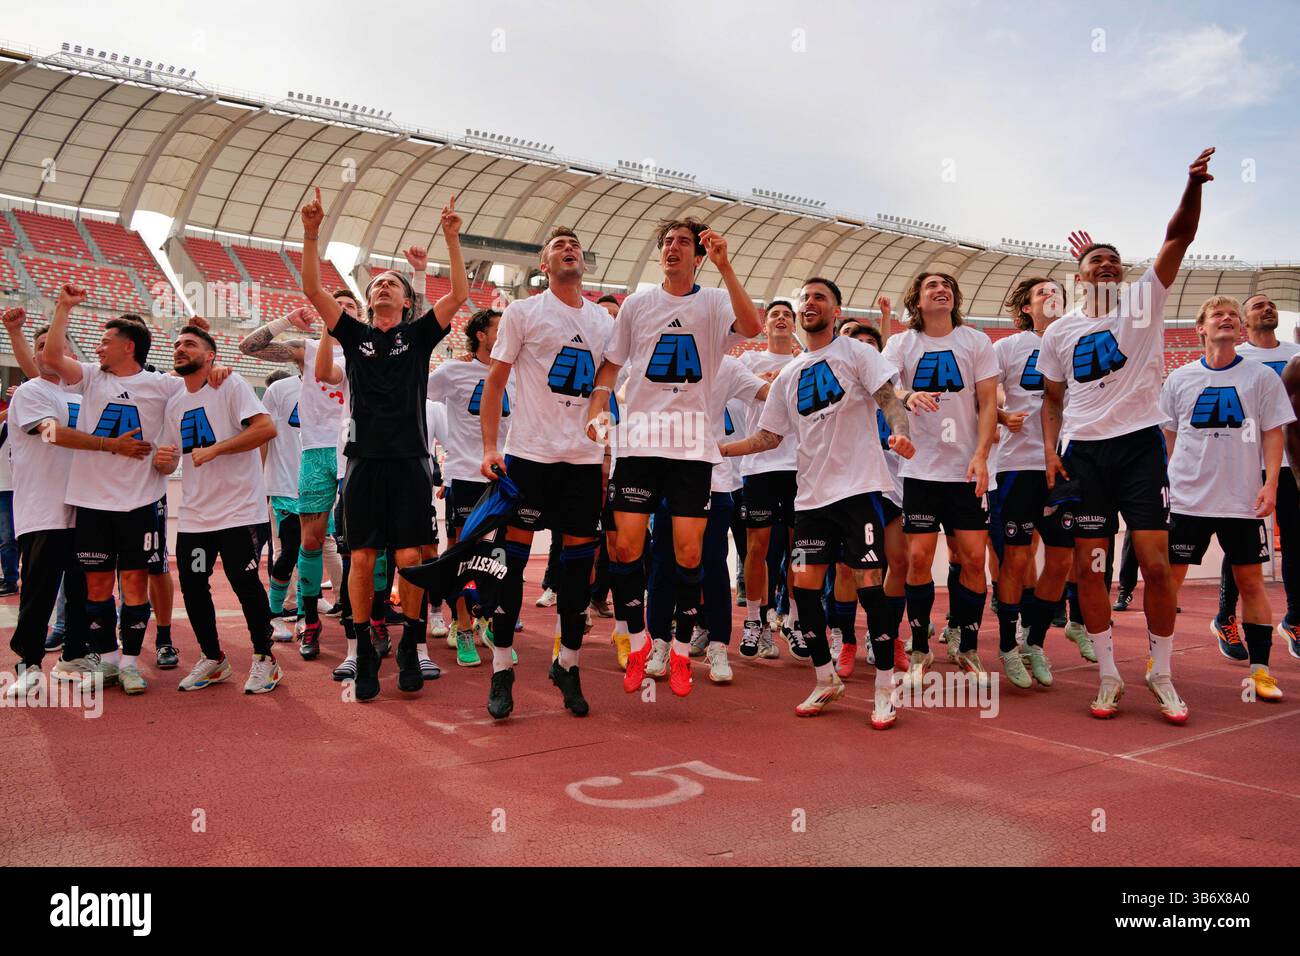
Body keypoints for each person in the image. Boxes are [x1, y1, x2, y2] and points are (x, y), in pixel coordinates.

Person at [1039, 148, 1216, 721]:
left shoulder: (1143, 300)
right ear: (1079, 274)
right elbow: (1053, 399)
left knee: (1157, 565)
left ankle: (1160, 671)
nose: (1109, 264)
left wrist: (1191, 186)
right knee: (1088, 568)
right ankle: (1109, 675)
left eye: (1116, 258)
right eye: (1097, 260)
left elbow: (1179, 237)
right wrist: (1050, 451)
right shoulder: (1061, 331)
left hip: (1140, 446)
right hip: (1083, 454)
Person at [721, 277, 914, 728]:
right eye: (804, 297)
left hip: (858, 490)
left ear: (836, 310)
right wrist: (721, 449)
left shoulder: (856, 353)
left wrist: (900, 430)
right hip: (810, 500)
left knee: (869, 581)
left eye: (818, 298)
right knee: (803, 585)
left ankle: (885, 685)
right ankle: (826, 677)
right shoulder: (789, 373)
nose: (809, 303)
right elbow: (770, 436)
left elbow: (889, 398)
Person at [299, 187, 464, 701]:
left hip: (412, 462)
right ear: (369, 301)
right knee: (362, 557)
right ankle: (363, 649)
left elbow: (457, 294)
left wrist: (451, 239)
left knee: (412, 555)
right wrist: (310, 233)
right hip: (364, 463)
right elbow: (311, 288)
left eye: (393, 283)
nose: (385, 288)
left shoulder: (417, 338)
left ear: (406, 299)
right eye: (378, 284)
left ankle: (413, 645)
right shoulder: (352, 335)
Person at [590, 218, 763, 698]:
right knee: (624, 549)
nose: (672, 248)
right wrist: (599, 410)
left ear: (698, 255)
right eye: (666, 241)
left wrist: (727, 267)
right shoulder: (638, 304)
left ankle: (683, 652)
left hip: (691, 447)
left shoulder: (712, 302)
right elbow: (610, 366)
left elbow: (751, 327)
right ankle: (643, 642)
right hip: (641, 443)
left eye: (683, 242)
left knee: (690, 555)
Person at [42, 285, 229, 695]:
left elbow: (200, 383)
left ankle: (129, 662)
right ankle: (106, 660)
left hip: (140, 501)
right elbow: (51, 358)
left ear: (129, 347)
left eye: (106, 342)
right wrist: (63, 308)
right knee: (95, 586)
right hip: (91, 500)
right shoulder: (90, 376)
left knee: (133, 584)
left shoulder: (161, 385)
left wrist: (217, 369)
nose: (98, 348)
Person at [479, 226, 614, 719]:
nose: (569, 249)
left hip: (580, 461)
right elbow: (495, 384)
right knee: (510, 564)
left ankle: (569, 665)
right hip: (530, 456)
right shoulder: (523, 312)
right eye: (558, 245)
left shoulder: (603, 321)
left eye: (575, 244)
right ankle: (501, 668)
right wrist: (491, 446)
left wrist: (601, 449)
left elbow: (609, 377)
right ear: (543, 263)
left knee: (578, 572)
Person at [1159, 295, 1293, 700]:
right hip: (1187, 499)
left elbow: (1273, 431)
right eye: (1218, 314)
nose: (1227, 319)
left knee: (1251, 582)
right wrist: (1163, 483)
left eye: (1233, 315)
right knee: (1169, 582)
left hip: (1241, 499)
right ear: (1200, 328)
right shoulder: (1179, 378)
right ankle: (1159, 663)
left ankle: (1261, 671)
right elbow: (1168, 435)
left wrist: (1269, 484)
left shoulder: (1261, 377)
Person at [882, 273, 998, 688]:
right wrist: (906, 396)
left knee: (972, 560)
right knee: (917, 560)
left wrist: (982, 455)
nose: (941, 289)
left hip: (965, 470)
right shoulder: (901, 344)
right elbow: (886, 391)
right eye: (931, 284)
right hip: (920, 471)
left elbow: (988, 404)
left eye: (948, 284)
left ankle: (966, 645)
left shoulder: (975, 342)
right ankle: (919, 646)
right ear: (917, 297)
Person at [152, 324, 281, 692]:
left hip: (239, 509)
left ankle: (264, 658)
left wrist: (217, 448)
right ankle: (213, 658)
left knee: (244, 583)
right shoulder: (175, 401)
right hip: (195, 515)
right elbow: (168, 458)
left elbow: (265, 428)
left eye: (189, 344)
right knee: (193, 585)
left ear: (210, 356)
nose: (180, 348)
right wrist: (162, 461)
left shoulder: (230, 385)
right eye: (176, 344)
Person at [649, 354, 767, 682]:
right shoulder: (666, 353)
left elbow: (768, 394)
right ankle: (659, 641)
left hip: (714, 481)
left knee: (714, 566)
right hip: (668, 479)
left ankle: (717, 645)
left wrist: (795, 372)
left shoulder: (727, 366)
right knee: (663, 563)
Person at [1, 308, 94, 696]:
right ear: (36, 357)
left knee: (80, 589)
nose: (49, 351)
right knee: (39, 590)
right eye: (41, 348)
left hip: (83, 507)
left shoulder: (79, 391)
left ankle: (73, 655)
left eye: (55, 346)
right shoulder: (31, 391)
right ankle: (29, 663)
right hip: (43, 510)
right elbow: (51, 433)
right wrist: (106, 444)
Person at [989, 277, 1077, 687]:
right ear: (1026, 307)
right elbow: (985, 396)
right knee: (1017, 558)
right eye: (1043, 292)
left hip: (1067, 462)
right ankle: (1008, 646)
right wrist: (1002, 412)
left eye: (1057, 291)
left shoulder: (1078, 339)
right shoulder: (1006, 347)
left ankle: (1034, 641)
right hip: (1019, 463)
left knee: (1061, 559)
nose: (1052, 296)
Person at [426, 308, 516, 666]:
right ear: (480, 334)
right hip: (465, 474)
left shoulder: (517, 370)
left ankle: (488, 619)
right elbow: (415, 390)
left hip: (506, 477)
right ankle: (462, 626)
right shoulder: (452, 371)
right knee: (463, 554)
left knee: (499, 558)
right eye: (500, 328)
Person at [1212, 292, 1300, 658]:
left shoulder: (1296, 353)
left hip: (1289, 463)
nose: (1267, 308)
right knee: (1241, 544)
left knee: (1296, 540)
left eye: (1271, 304)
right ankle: (1225, 618)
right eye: (1258, 305)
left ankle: (1294, 618)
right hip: (1248, 462)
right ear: (1244, 322)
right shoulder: (1238, 358)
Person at [737, 300, 802, 660]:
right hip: (759, 465)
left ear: (794, 326)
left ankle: (792, 619)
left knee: (799, 549)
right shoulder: (748, 361)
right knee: (757, 548)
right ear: (764, 327)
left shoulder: (805, 361)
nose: (780, 319)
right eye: (774, 315)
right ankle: (754, 621)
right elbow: (738, 390)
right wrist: (765, 383)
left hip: (799, 466)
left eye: (787, 315)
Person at [260, 366, 303, 641]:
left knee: (311, 553)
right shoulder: (280, 390)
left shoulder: (340, 386)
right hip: (286, 485)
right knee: (289, 550)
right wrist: (260, 480)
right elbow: (263, 434)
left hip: (321, 485)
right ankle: (274, 615)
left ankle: (305, 617)